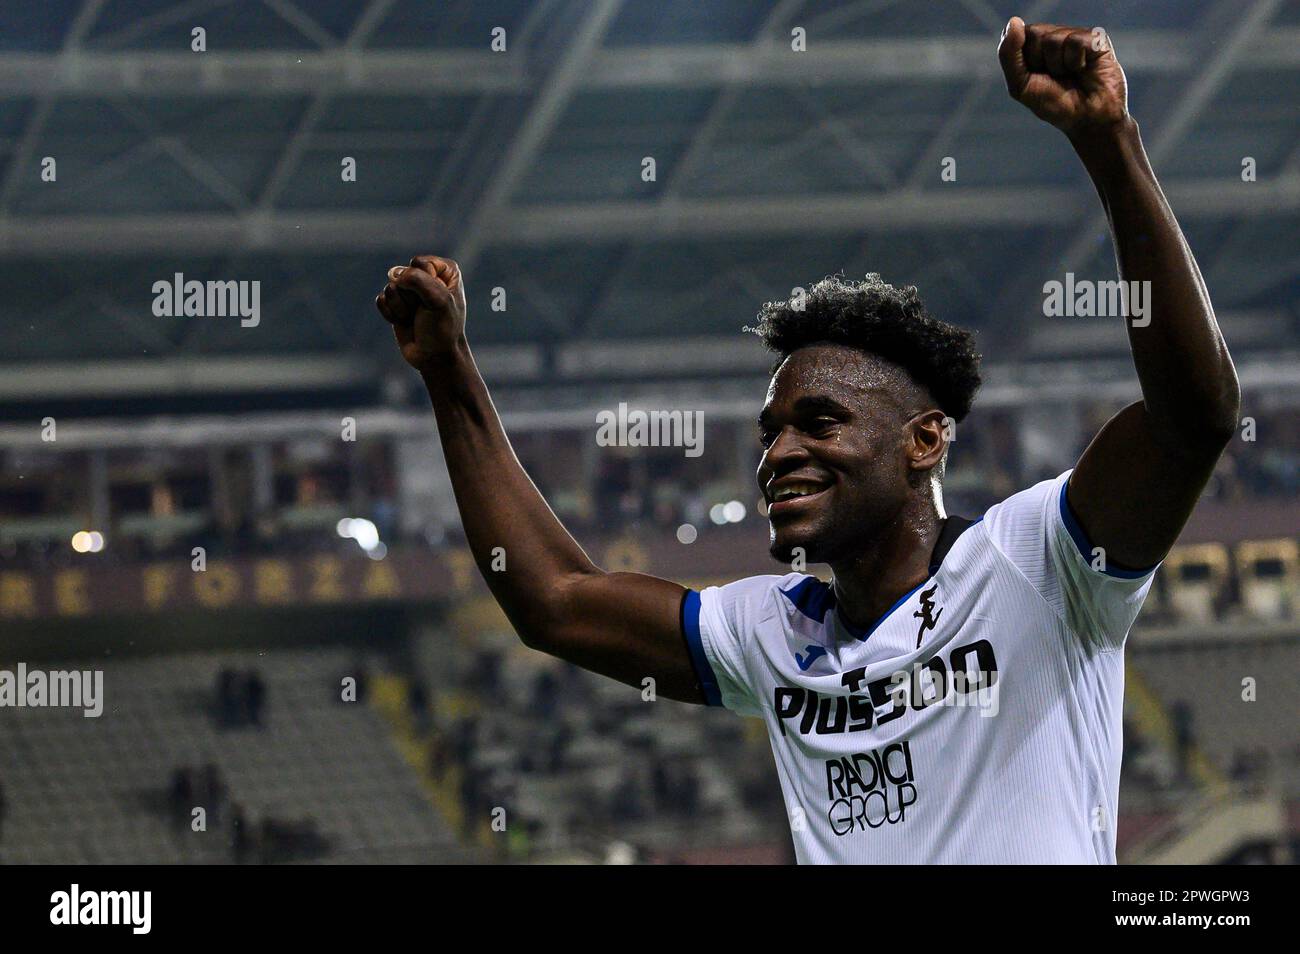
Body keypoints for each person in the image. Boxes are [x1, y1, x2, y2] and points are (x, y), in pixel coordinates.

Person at [372, 18, 1239, 864]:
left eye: (821, 423)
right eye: (771, 433)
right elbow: (553, 599)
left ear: (925, 441)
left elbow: (1193, 420)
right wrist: (448, 372)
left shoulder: (1035, 564)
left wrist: (1110, 145)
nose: (777, 454)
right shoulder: (774, 632)